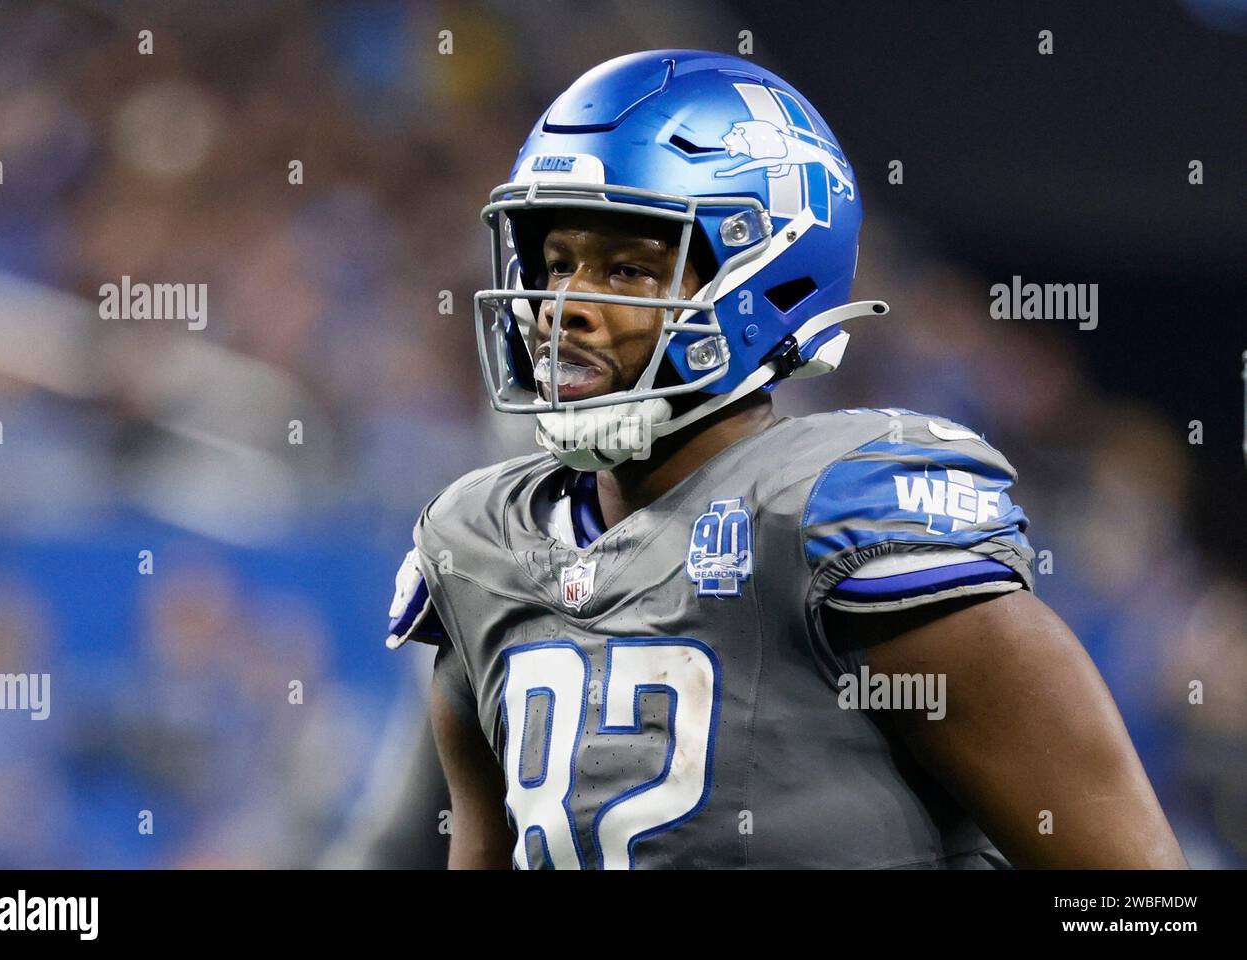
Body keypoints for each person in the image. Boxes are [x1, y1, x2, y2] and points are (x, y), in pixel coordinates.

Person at [386, 49, 1186, 870]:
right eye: (557, 264)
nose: (567, 309)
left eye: (626, 267)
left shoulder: (847, 520)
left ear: (763, 278)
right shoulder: (482, 547)